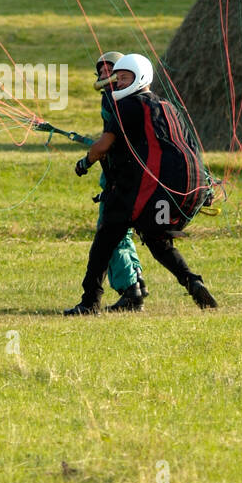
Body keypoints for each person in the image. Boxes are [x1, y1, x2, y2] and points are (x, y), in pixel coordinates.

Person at [65, 53, 217, 315]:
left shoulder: (126, 107)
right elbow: (189, 147)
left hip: (140, 192)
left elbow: (103, 145)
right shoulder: (169, 107)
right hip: (174, 191)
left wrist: (84, 163)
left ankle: (90, 302)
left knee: (104, 242)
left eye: (125, 78)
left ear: (140, 78)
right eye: (118, 78)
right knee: (158, 243)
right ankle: (192, 281)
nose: (120, 83)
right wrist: (208, 184)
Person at [91, 52, 147, 311]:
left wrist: (90, 157)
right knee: (122, 234)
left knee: (112, 234)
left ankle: (130, 291)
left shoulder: (121, 102)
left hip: (120, 178)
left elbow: (114, 141)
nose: (105, 76)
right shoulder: (118, 100)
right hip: (124, 175)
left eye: (110, 71)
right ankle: (137, 281)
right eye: (100, 72)